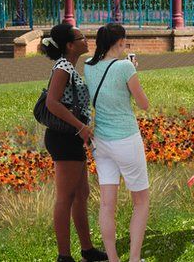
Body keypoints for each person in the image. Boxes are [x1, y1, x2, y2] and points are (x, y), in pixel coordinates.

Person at [41, 24, 108, 262]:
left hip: (72, 137)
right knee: (65, 197)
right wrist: (80, 127)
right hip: (65, 138)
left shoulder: (70, 67)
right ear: (70, 45)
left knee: (81, 194)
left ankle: (87, 249)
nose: (86, 39)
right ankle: (64, 256)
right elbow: (52, 103)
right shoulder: (63, 67)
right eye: (81, 37)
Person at [84, 24, 150, 262]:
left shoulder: (88, 66)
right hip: (126, 140)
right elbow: (144, 104)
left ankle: (113, 259)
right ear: (120, 42)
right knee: (141, 200)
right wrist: (133, 71)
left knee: (107, 204)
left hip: (101, 142)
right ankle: (134, 258)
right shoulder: (124, 67)